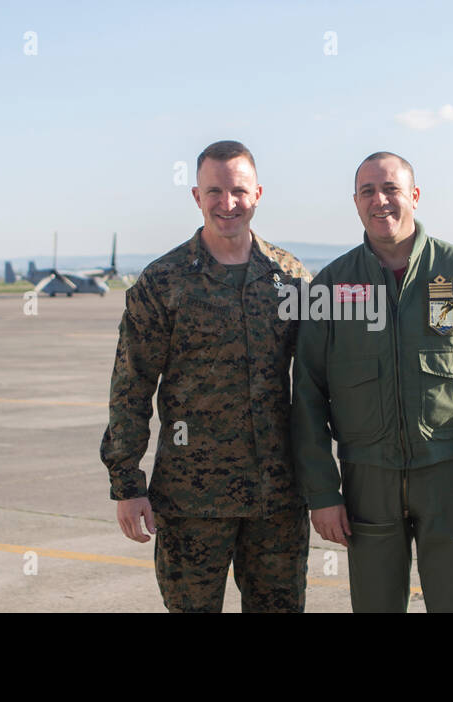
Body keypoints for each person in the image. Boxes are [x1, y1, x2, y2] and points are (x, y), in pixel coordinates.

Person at [291, 151, 453, 613]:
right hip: (367, 481)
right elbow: (308, 396)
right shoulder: (334, 287)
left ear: (414, 196)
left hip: (449, 478)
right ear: (356, 203)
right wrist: (322, 493)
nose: (380, 201)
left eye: (391, 189)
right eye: (367, 192)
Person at [100, 140, 312, 612]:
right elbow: (130, 386)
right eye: (214, 191)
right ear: (197, 196)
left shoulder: (291, 278)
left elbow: (326, 373)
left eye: (238, 190)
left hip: (277, 500)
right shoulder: (163, 282)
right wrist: (127, 484)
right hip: (191, 502)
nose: (227, 203)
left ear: (258, 194)